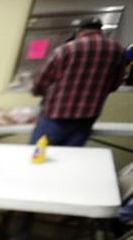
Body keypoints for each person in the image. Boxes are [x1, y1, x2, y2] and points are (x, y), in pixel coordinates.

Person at [30, 17, 124, 147]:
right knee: (72, 157)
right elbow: (115, 84)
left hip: (56, 113)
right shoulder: (118, 51)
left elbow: (40, 81)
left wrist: (37, 91)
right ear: (99, 30)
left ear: (79, 31)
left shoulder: (66, 49)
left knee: (40, 154)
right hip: (87, 116)